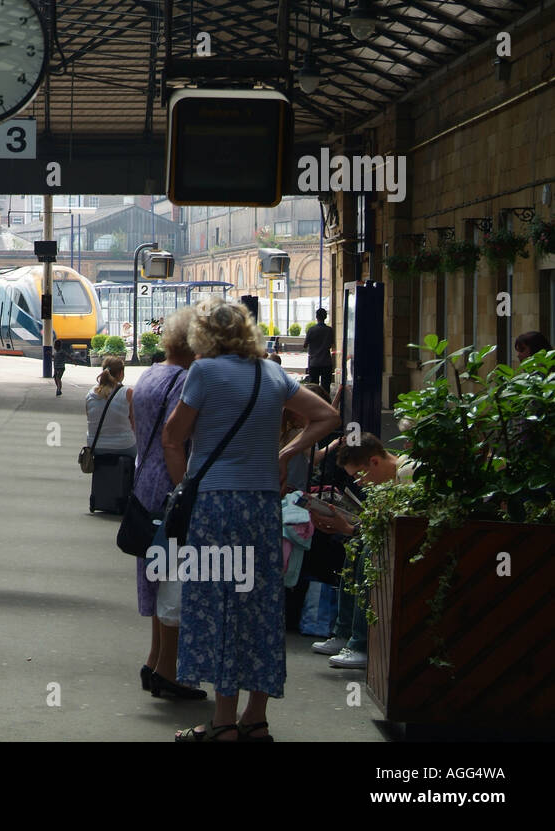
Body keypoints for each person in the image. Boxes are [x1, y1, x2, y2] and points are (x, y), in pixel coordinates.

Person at [163, 297, 339, 741]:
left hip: (216, 506)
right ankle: (255, 720)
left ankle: (222, 724)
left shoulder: (203, 373)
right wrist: (285, 453)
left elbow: (172, 437)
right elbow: (327, 415)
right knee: (260, 605)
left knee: (218, 603)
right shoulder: (273, 373)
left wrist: (186, 487)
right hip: (262, 507)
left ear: (203, 334)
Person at [127, 307, 203, 701]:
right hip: (170, 483)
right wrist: (184, 489)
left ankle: (155, 659)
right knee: (175, 581)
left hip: (144, 481)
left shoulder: (151, 373)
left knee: (155, 575)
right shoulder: (185, 380)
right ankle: (169, 671)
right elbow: (177, 439)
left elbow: (137, 424)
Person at [309, 434, 416, 671]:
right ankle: (346, 634)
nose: (359, 482)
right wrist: (349, 527)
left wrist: (350, 528)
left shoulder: (407, 473)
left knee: (365, 548)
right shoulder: (388, 480)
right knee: (357, 545)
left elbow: (401, 526)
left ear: (375, 462)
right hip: (395, 543)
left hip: (406, 547)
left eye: (359, 474)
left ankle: (360, 643)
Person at [85, 356, 137, 515]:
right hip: (123, 446)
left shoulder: (90, 393)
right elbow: (134, 424)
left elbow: (89, 419)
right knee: (141, 457)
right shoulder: (127, 393)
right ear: (121, 373)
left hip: (96, 447)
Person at [303, 309, 335, 394]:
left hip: (314, 362)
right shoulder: (330, 330)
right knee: (326, 387)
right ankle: (326, 404)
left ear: (316, 317)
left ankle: (314, 404)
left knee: (313, 388)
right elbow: (332, 344)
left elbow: (305, 345)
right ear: (325, 317)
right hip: (326, 362)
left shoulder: (311, 330)